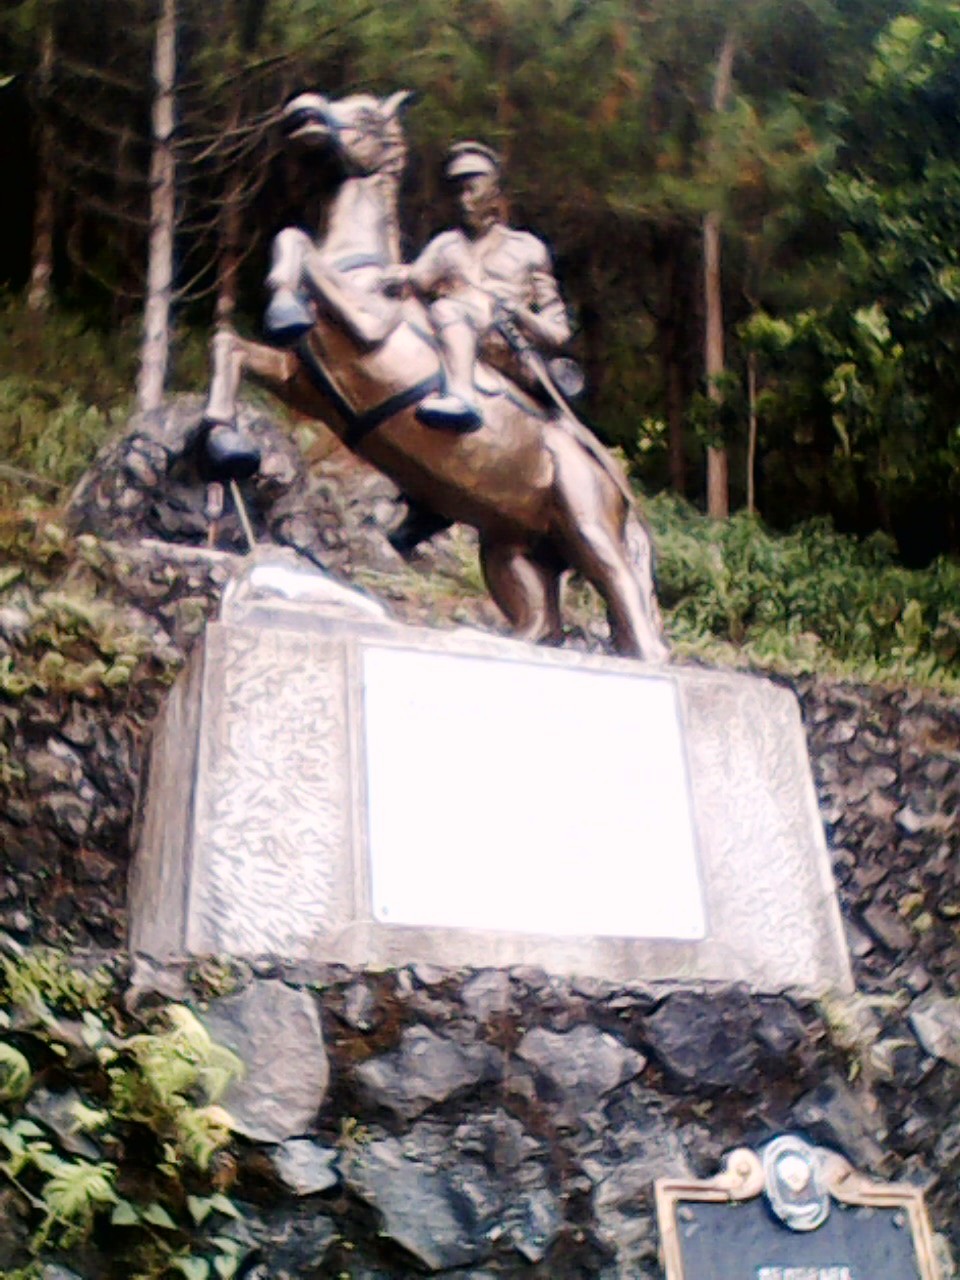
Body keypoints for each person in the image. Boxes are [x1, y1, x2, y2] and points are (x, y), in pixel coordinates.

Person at [388, 140, 573, 431]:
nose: (463, 200)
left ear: (494, 193)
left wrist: (519, 313)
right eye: (457, 192)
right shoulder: (445, 245)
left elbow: (558, 333)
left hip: (507, 350)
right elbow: (411, 282)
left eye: (471, 190)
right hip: (454, 335)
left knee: (449, 309)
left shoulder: (528, 248)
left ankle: (462, 397)